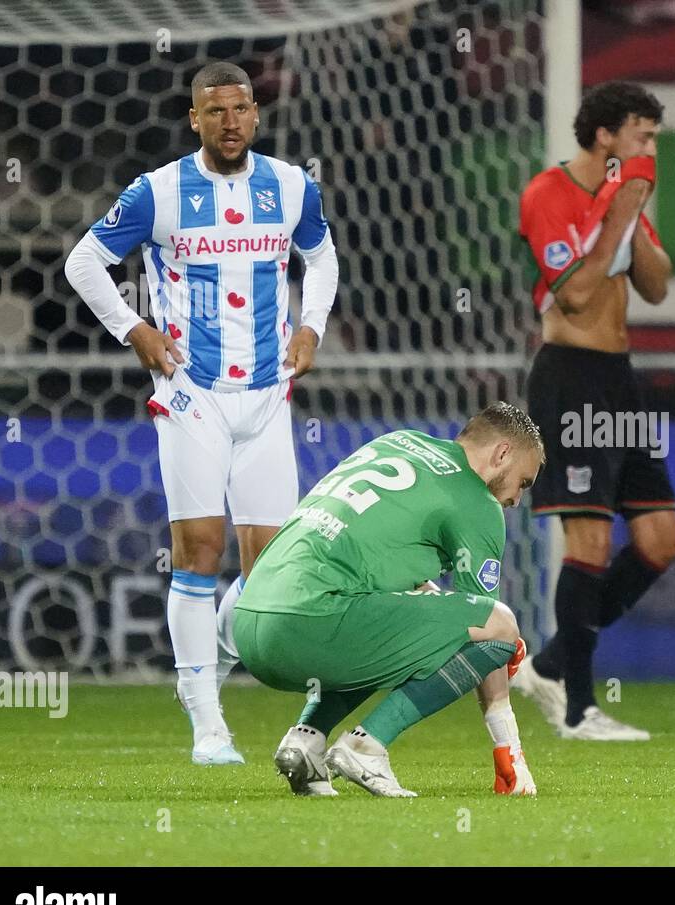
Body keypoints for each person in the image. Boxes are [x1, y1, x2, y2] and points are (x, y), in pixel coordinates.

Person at [65, 62, 338, 763]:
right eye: (215, 111)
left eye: (240, 108)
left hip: (268, 395)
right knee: (198, 550)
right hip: (192, 394)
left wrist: (312, 326)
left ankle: (208, 661)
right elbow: (83, 263)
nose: (230, 122)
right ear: (195, 120)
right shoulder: (157, 192)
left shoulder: (292, 186)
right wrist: (135, 328)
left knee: (270, 569)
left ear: (255, 114)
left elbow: (321, 256)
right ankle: (208, 724)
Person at [233, 402, 543, 797]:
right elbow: (487, 627)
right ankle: (366, 745)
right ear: (502, 453)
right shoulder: (476, 502)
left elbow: (400, 595)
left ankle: (306, 740)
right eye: (523, 482)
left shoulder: (400, 442)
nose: (517, 498)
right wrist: (508, 747)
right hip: (307, 625)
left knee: (398, 622)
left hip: (250, 621)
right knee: (501, 626)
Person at [512, 81, 675, 741]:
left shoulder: (624, 195)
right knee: (589, 540)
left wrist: (633, 212)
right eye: (643, 136)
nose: (651, 150)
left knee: (660, 540)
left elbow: (657, 287)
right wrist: (620, 211)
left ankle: (552, 663)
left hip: (619, 378)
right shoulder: (548, 194)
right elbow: (576, 296)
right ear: (605, 135)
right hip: (570, 376)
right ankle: (579, 709)